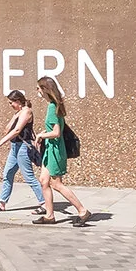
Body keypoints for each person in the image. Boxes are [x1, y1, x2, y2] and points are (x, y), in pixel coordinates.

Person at [35, 73, 89, 224]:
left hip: (55, 150)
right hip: (51, 150)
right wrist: (45, 133)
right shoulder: (53, 106)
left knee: (56, 184)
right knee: (44, 181)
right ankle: (49, 215)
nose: (37, 91)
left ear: (45, 89)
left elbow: (57, 132)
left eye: (38, 88)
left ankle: (82, 211)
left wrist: (41, 136)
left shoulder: (52, 108)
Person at [0, 89, 46, 217]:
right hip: (15, 147)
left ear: (18, 101)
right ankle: (2, 203)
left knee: (29, 177)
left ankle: (45, 204)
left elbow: (17, 130)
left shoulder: (27, 112)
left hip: (23, 148)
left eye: (11, 103)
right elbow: (7, 129)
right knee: (7, 173)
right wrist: (15, 115)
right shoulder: (19, 113)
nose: (10, 105)